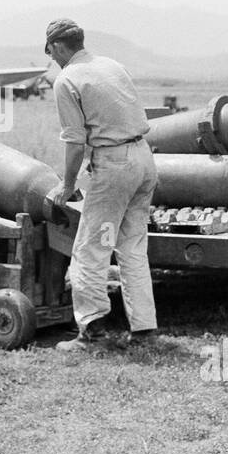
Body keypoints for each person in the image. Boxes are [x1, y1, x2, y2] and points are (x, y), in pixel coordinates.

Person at [43, 19, 158, 351]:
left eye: (50, 52)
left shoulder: (66, 80)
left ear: (58, 46)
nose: (52, 58)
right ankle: (144, 332)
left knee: (90, 249)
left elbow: (75, 142)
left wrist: (66, 186)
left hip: (114, 167)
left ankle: (92, 333)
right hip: (143, 158)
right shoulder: (112, 65)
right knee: (133, 249)